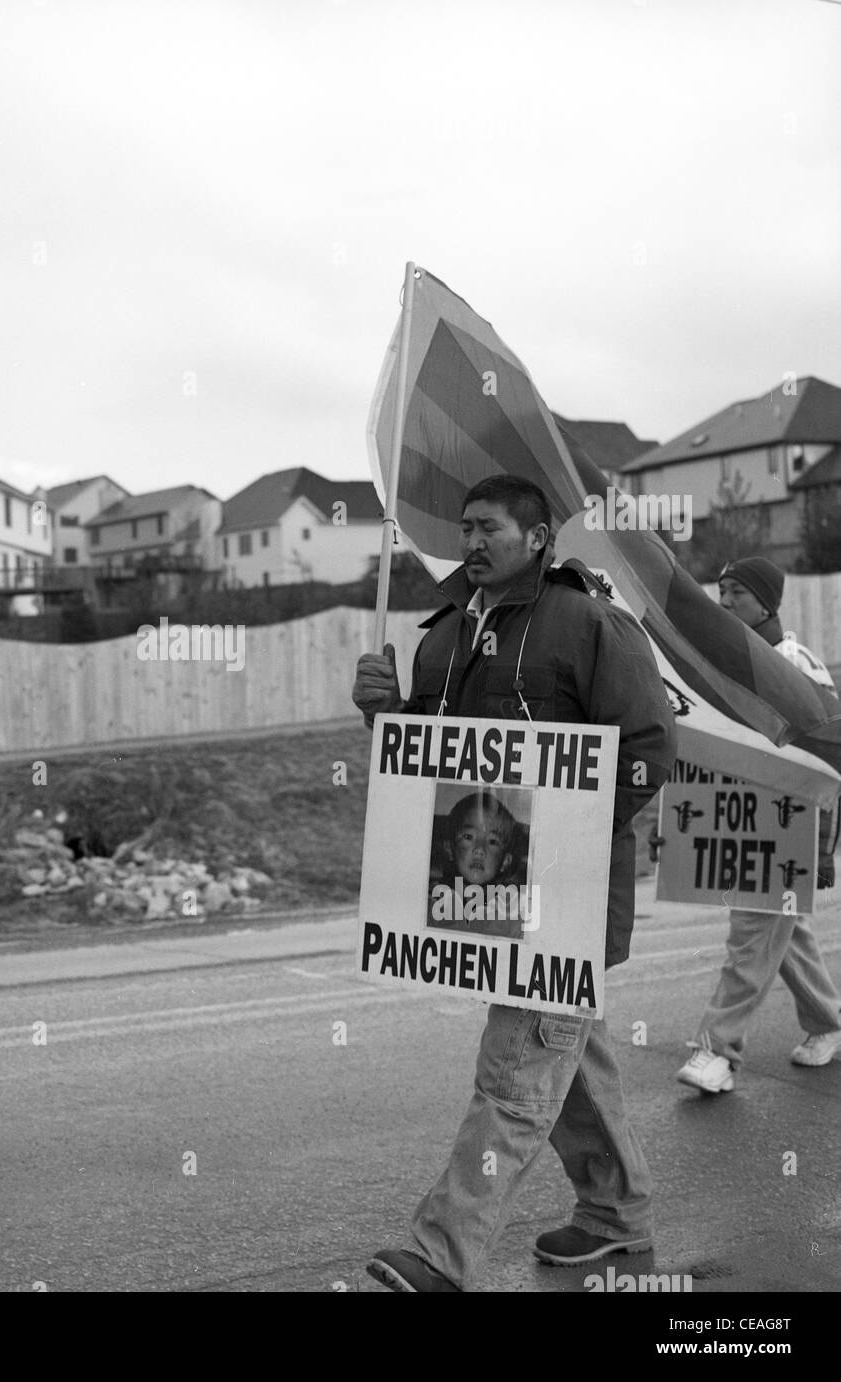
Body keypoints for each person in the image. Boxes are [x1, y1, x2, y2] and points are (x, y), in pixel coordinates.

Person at [352, 475, 676, 1292]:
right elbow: (434, 763)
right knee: (569, 1053)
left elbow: (647, 744)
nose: (470, 541)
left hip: (562, 901)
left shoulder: (591, 623)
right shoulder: (442, 635)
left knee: (518, 1071)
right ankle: (615, 1217)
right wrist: (386, 716)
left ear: (537, 538)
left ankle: (440, 1256)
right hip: (486, 893)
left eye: (488, 527)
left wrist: (565, 842)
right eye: (464, 528)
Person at [672, 556, 841, 1094]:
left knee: (750, 939)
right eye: (720, 591)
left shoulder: (793, 663)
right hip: (745, 824)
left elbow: (828, 758)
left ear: (767, 603)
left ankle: (717, 1050)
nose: (723, 603)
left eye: (737, 593)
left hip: (785, 829)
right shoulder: (729, 660)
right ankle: (828, 1020)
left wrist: (822, 845)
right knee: (781, 935)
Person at [428, 791, 525, 941]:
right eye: (468, 837)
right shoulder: (430, 900)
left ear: (505, 861)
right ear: (449, 849)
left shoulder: (512, 913)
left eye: (492, 841)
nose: (479, 849)